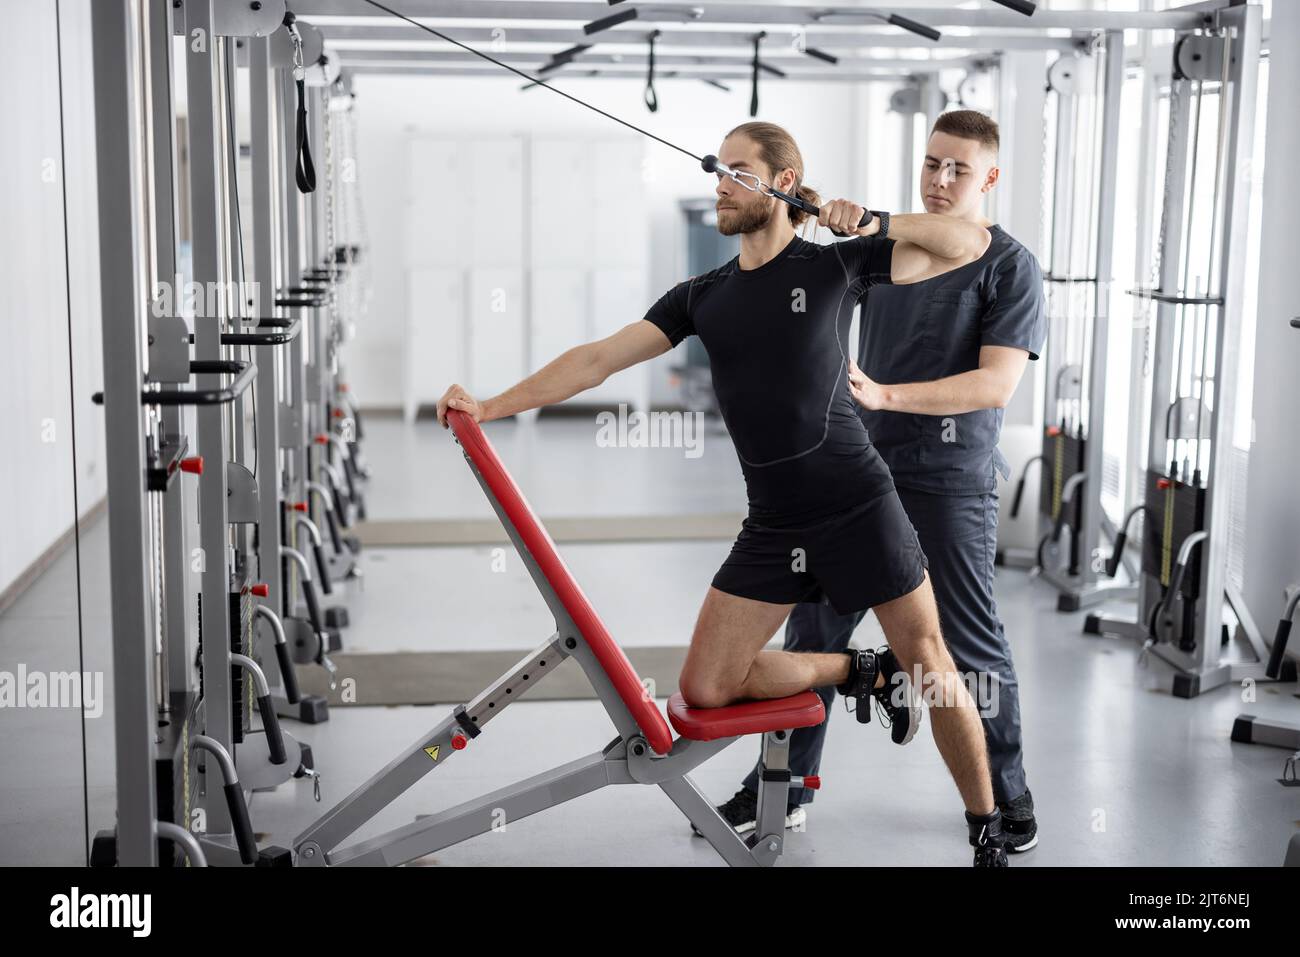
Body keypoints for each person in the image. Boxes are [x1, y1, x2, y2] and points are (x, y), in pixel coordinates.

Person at [438, 120, 1010, 865]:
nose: (720, 183)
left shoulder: (839, 268)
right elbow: (596, 360)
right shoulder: (703, 296)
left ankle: (987, 825)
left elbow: (969, 245)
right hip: (775, 522)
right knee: (707, 687)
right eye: (720, 171)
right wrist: (489, 404)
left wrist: (873, 219)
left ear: (780, 182)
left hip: (858, 503)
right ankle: (862, 671)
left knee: (934, 663)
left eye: (738, 171)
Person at [719, 110, 1047, 853]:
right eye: (931, 163)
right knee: (815, 627)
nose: (938, 179)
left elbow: (996, 385)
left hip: (951, 483)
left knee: (967, 645)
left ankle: (1007, 791)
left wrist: (890, 395)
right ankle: (786, 784)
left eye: (957, 169)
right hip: (861, 474)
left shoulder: (1009, 266)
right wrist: (808, 214)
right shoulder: (890, 248)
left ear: (989, 177)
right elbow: (811, 291)